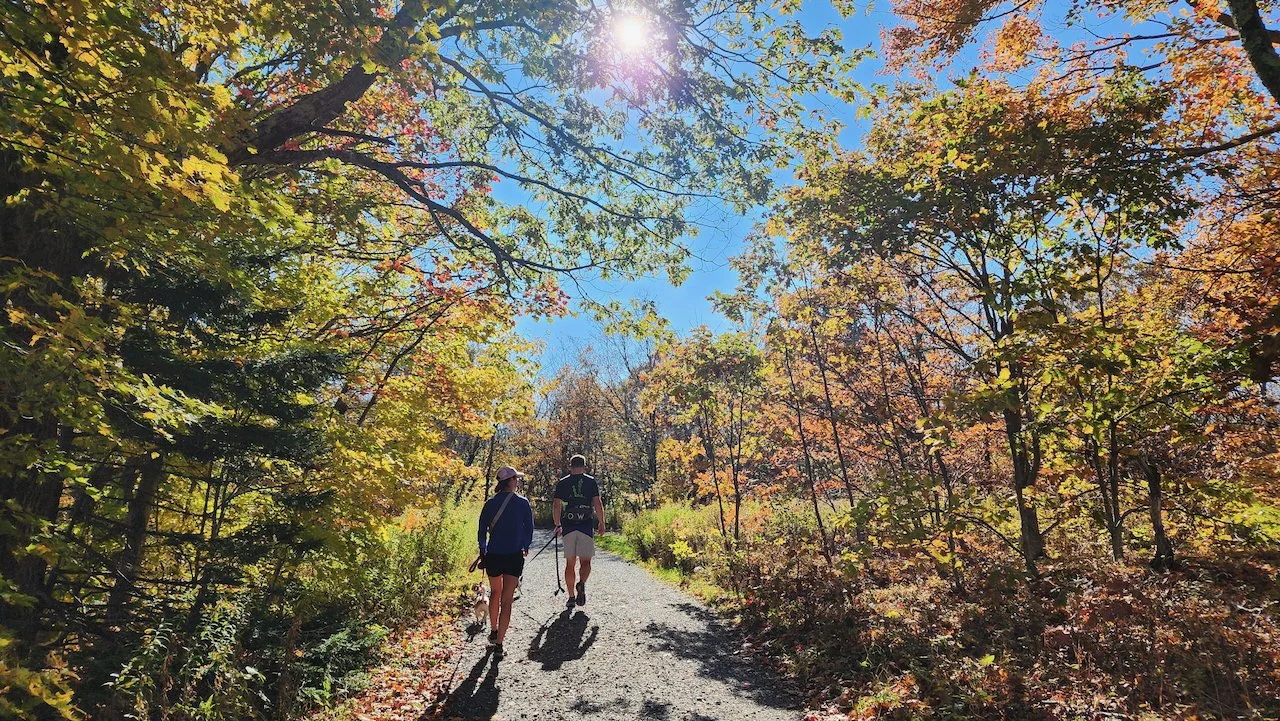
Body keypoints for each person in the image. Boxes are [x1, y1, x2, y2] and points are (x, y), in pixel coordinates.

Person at [477, 465, 534, 659]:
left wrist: (483, 549)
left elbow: (481, 530)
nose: (517, 481)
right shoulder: (523, 503)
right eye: (516, 479)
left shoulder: (490, 503)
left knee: (495, 593)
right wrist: (525, 545)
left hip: (493, 554)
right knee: (507, 600)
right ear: (509, 481)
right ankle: (500, 643)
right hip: (513, 555)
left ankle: (493, 629)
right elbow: (529, 528)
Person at [552, 454, 605, 610]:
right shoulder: (590, 482)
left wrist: (557, 524)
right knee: (586, 562)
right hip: (585, 524)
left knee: (570, 563)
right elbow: (597, 503)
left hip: (568, 525)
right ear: (584, 465)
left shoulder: (562, 483)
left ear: (570, 466)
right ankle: (581, 583)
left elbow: (556, 505)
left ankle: (571, 597)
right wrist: (601, 522)